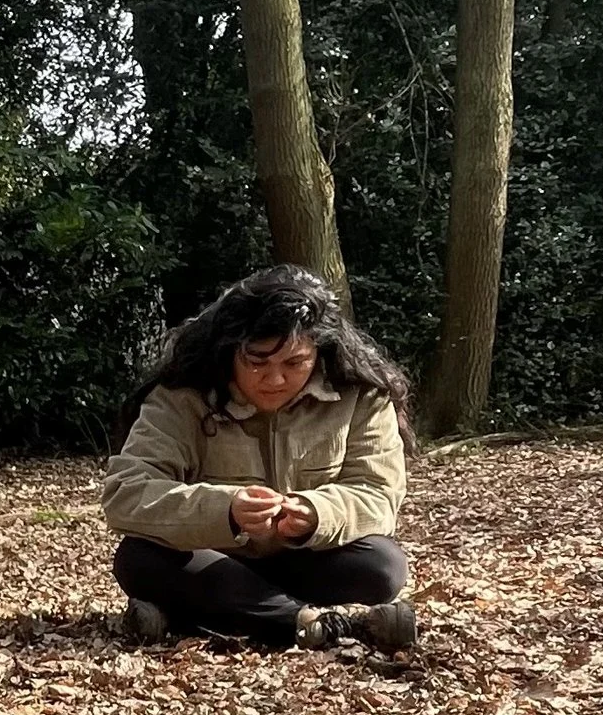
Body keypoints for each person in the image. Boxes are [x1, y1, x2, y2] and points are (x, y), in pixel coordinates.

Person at [100, 265, 418, 651]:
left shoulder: (362, 396)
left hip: (310, 560)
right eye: (257, 362)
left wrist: (316, 514)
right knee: (139, 560)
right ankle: (325, 624)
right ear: (230, 350)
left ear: (320, 350)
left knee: (382, 566)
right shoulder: (183, 396)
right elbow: (126, 493)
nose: (275, 380)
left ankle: (193, 616)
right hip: (211, 558)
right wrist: (226, 510)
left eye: (293, 363)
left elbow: (379, 494)